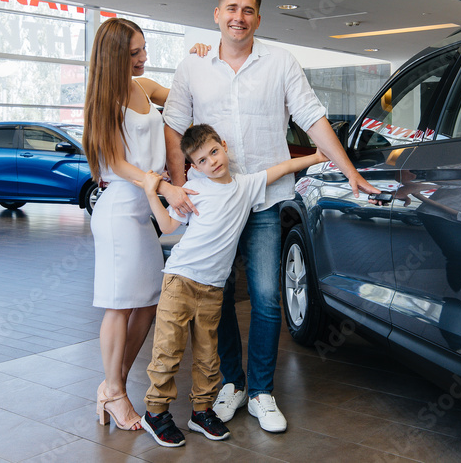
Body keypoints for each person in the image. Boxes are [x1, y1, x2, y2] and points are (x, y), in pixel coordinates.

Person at [161, 0, 379, 433]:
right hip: (212, 207)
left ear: (258, 18)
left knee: (264, 298)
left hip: (262, 201)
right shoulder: (193, 67)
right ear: (217, 15)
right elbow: (175, 127)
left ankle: (261, 391)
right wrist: (179, 188)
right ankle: (232, 383)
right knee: (214, 297)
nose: (239, 16)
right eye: (231, 8)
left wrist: (350, 172)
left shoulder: (280, 61)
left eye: (247, 10)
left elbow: (312, 117)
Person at [136, 124, 327, 447]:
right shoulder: (195, 190)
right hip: (180, 280)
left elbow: (281, 168)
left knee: (209, 357)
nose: (212, 161)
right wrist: (150, 193)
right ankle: (155, 413)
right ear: (193, 167)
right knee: (168, 351)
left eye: (214, 151)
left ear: (224, 146)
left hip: (211, 288)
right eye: (202, 160)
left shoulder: (245, 185)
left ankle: (201, 411)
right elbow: (168, 225)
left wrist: (318, 155)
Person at [82, 17, 207, 431]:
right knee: (119, 303)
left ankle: (111, 384)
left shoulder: (142, 86)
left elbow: (186, 99)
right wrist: (161, 186)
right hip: (121, 207)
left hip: (144, 206)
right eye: (134, 52)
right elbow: (116, 163)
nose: (143, 57)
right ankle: (115, 392)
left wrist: (200, 63)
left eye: (143, 49)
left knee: (148, 300)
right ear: (115, 55)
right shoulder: (104, 100)